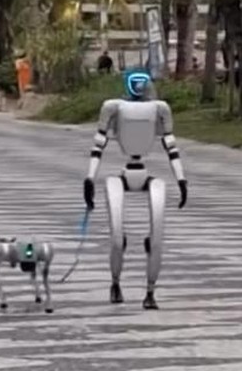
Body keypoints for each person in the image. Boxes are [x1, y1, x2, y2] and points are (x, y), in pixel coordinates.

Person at [82, 70, 189, 310]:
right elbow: (98, 144)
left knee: (157, 237)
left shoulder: (160, 108)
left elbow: (171, 146)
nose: (141, 89)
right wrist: (89, 178)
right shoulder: (113, 107)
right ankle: (115, 282)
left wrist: (181, 179)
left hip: (146, 175)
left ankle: (150, 291)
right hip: (122, 176)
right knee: (117, 238)